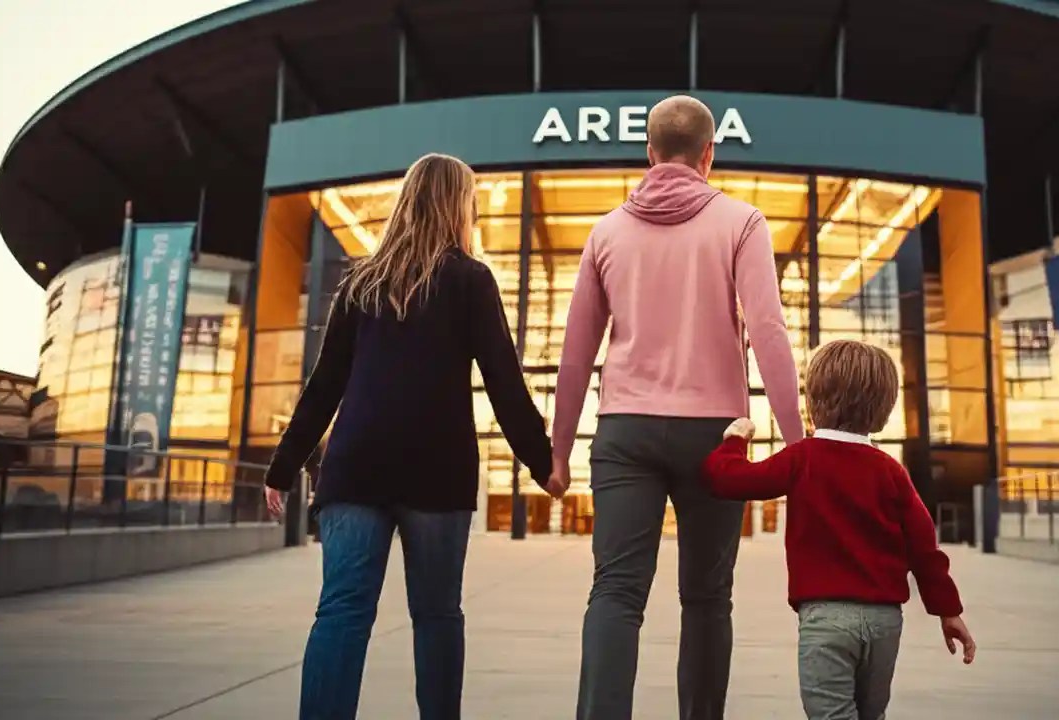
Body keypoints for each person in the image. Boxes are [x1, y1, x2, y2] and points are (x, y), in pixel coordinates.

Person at [262, 153, 566, 720]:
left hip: (355, 469)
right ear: (459, 205)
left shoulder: (361, 282)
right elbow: (504, 380)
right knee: (437, 614)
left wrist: (283, 466)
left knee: (342, 612)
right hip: (438, 471)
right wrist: (542, 461)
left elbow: (324, 386)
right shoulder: (471, 280)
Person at [549, 95, 806, 720]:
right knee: (709, 597)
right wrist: (799, 447)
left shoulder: (606, 231)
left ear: (649, 152)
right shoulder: (742, 223)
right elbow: (768, 330)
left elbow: (577, 354)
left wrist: (557, 453)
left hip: (625, 432)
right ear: (708, 155)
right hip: (715, 437)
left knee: (615, 591)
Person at [703, 340, 976, 720]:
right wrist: (948, 610)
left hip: (826, 619)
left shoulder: (803, 459)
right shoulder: (891, 471)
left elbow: (731, 481)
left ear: (813, 401)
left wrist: (734, 441)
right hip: (885, 622)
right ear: (883, 411)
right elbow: (924, 546)